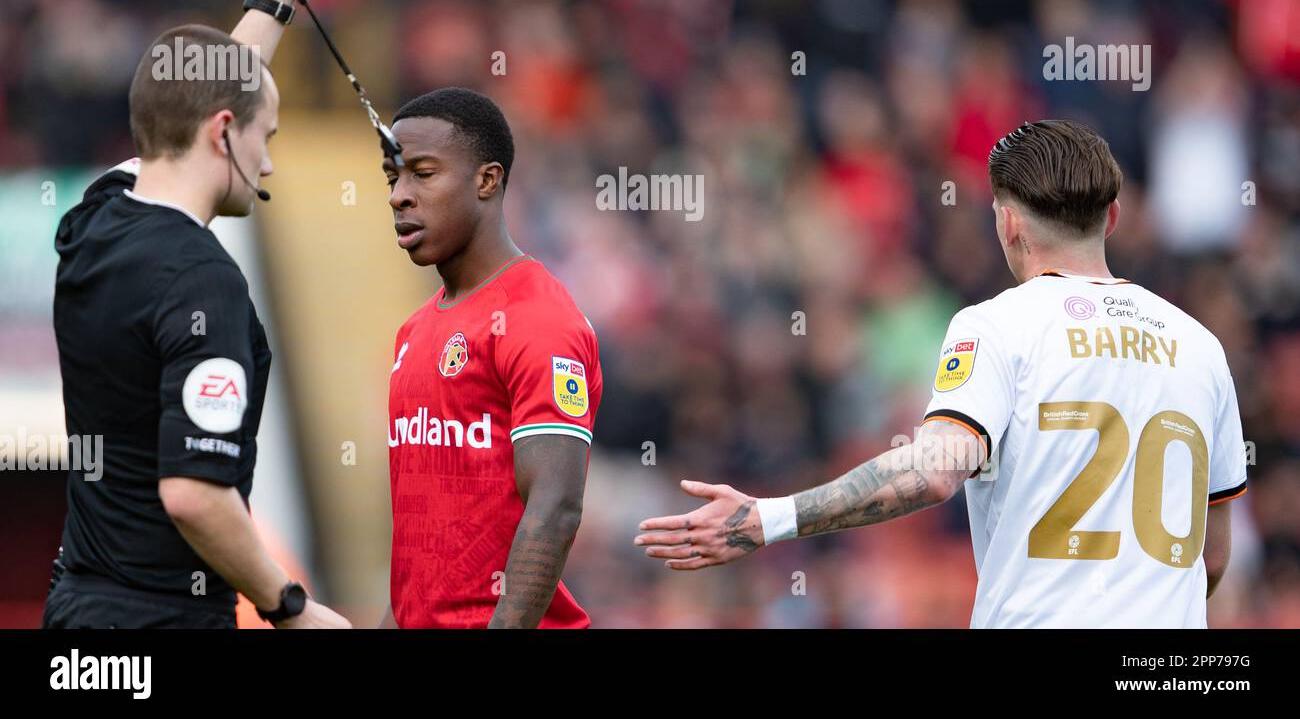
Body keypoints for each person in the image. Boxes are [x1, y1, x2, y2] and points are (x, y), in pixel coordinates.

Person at [636, 119, 1247, 628]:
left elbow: (932, 473)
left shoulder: (998, 326)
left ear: (1008, 223)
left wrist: (770, 518)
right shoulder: (1201, 347)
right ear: (1111, 218)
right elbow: (1213, 556)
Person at [43, 0, 349, 629]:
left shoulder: (93, 220)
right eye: (264, 136)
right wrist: (293, 608)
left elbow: (189, 105)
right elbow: (194, 494)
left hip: (78, 620)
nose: (268, 162)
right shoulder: (204, 281)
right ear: (223, 134)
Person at [380, 88, 601, 628]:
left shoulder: (538, 318)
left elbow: (555, 508)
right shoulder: (414, 329)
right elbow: (421, 552)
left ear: (486, 179)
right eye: (393, 177)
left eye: (423, 174)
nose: (399, 196)